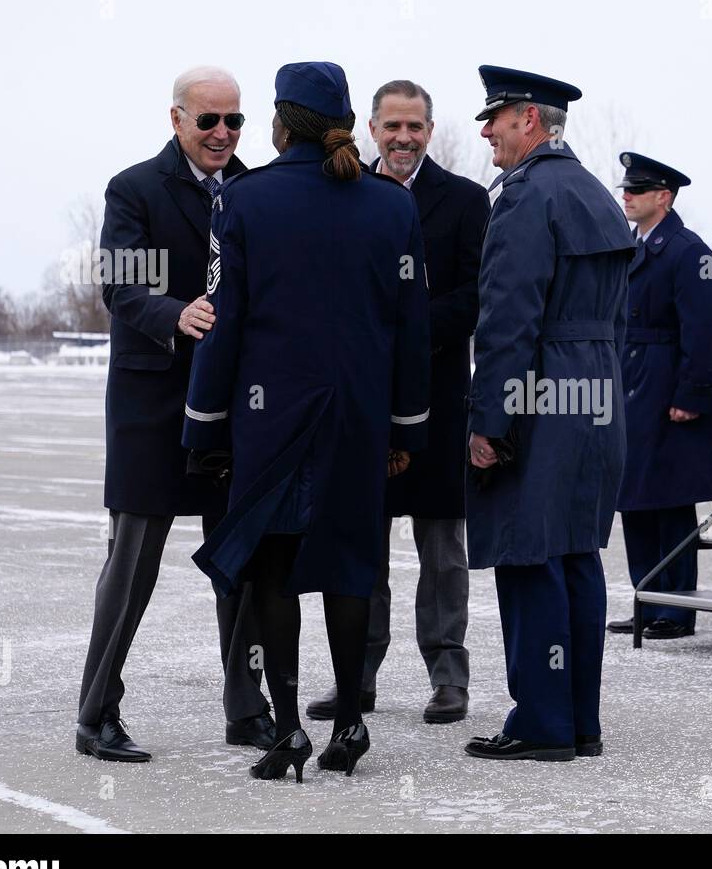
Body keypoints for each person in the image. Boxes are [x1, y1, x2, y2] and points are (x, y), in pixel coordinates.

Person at [182, 61, 430, 780]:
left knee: (274, 573)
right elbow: (410, 332)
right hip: (358, 418)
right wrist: (406, 428)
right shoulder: (392, 206)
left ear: (279, 122)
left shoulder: (246, 201)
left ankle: (288, 729)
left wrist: (203, 425)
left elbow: (222, 325)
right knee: (351, 567)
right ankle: (349, 722)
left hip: (271, 421)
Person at [76, 66, 272, 763]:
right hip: (153, 406)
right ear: (177, 120)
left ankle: (248, 711)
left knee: (242, 563)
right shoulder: (135, 189)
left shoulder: (256, 190)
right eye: (208, 121)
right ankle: (96, 713)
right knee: (131, 569)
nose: (223, 134)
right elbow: (122, 284)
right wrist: (174, 314)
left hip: (233, 410)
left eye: (235, 121)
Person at [463, 66, 634, 762]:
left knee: (528, 551)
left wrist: (489, 421)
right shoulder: (593, 192)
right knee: (574, 554)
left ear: (529, 120)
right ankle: (577, 720)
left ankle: (540, 722)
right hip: (595, 389)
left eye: (496, 119)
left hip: (539, 387)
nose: (486, 132)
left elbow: (508, 321)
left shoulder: (527, 196)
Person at [306, 79, 488, 726]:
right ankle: (356, 678)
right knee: (363, 547)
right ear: (372, 130)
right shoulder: (347, 196)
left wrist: (403, 330)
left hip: (439, 402)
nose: (403, 138)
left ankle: (448, 677)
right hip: (361, 407)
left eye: (415, 127)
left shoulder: (467, 203)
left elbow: (475, 297)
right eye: (392, 127)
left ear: (431, 132)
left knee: (443, 552)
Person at [603, 153, 712, 640]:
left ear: (665, 196)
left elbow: (706, 331)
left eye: (638, 189)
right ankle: (648, 600)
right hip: (634, 386)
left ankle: (675, 610)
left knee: (671, 504)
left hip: (668, 388)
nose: (627, 196)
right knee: (635, 500)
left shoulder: (687, 252)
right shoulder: (633, 246)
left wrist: (691, 394)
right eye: (626, 189)